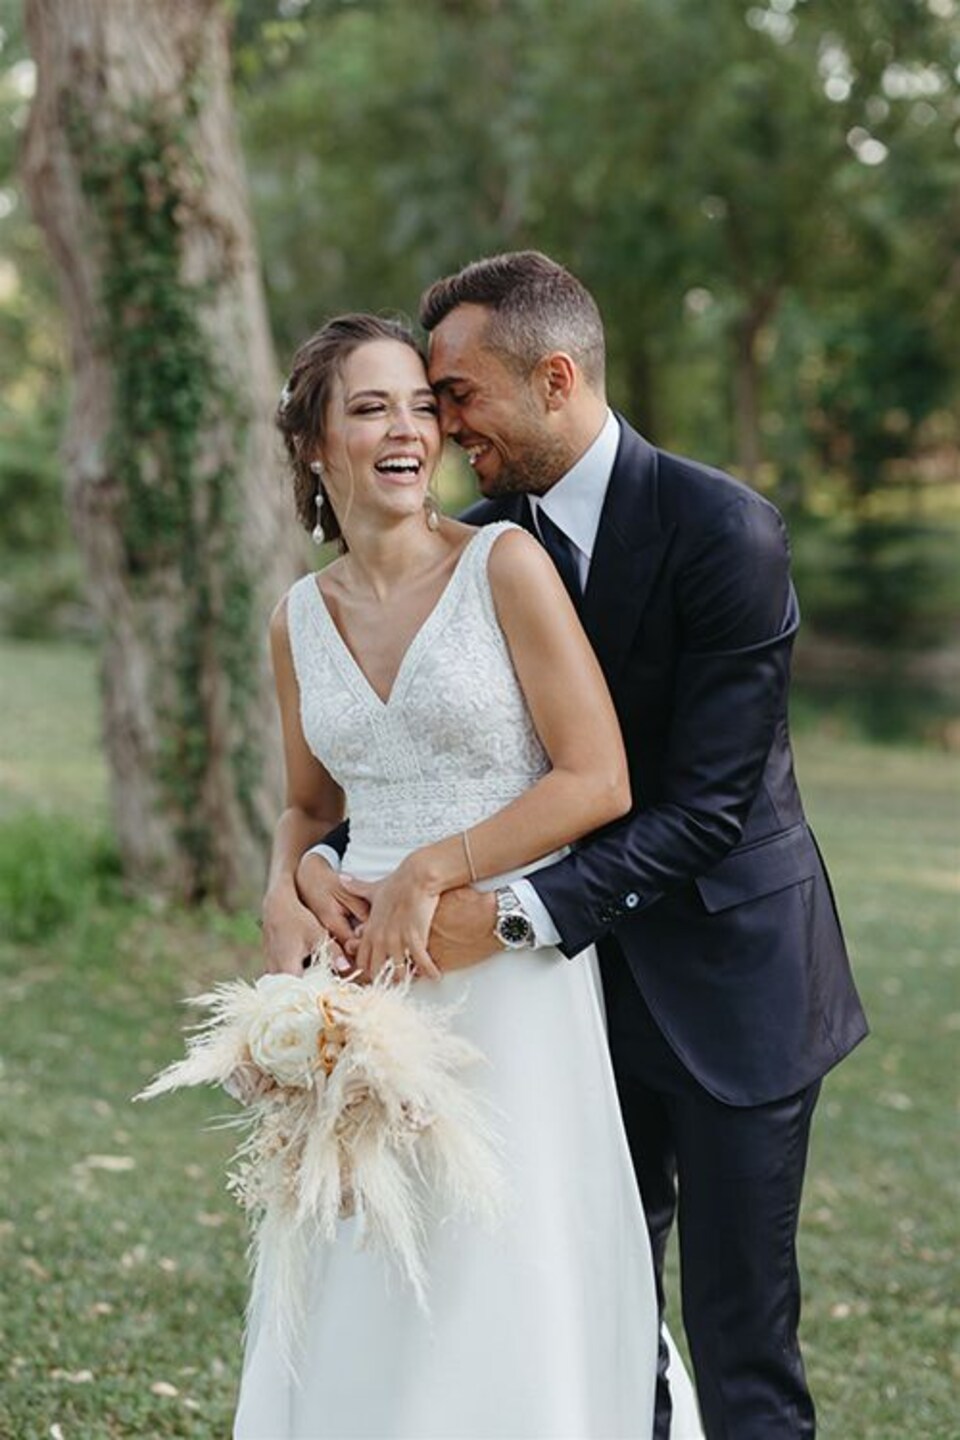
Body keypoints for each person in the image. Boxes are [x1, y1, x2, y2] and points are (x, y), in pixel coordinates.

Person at [299, 256, 869, 1440]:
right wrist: (314, 866)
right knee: (602, 1318)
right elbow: (444, 757)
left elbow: (706, 810)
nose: (441, 426)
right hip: (571, 1006)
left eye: (455, 395)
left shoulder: (726, 531)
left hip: (731, 990)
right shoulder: (488, 544)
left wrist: (505, 912)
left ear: (554, 379)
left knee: (738, 1335)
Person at [239, 313, 704, 1439]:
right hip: (366, 983)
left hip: (505, 966)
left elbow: (597, 778)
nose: (408, 429)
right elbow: (312, 803)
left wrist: (432, 876)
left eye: (421, 404)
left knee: (505, 1249)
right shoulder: (297, 617)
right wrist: (282, 882)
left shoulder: (505, 565)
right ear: (313, 445)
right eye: (369, 408)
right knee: (368, 1253)